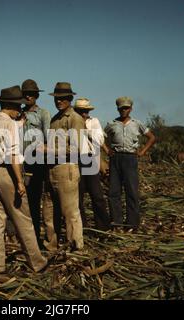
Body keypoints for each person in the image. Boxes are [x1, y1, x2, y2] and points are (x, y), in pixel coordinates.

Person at [0, 85, 48, 273]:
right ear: (11, 106)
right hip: (8, 175)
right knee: (23, 220)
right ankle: (37, 262)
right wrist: (20, 182)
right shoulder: (10, 125)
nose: (20, 110)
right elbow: (12, 155)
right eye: (18, 107)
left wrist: (19, 124)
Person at [43, 82, 85, 251]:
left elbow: (76, 149)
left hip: (66, 168)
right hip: (51, 169)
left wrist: (49, 149)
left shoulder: (75, 119)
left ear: (69, 99)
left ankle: (75, 248)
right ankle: (51, 246)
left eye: (62, 99)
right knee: (49, 212)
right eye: (56, 99)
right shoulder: (54, 120)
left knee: (70, 212)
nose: (58, 101)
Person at [105, 96, 155, 231]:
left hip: (130, 158)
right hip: (115, 158)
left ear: (131, 109)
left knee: (131, 192)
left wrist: (143, 151)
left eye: (126, 108)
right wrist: (107, 149)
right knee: (114, 192)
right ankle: (117, 223)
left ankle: (132, 224)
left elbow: (151, 137)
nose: (123, 110)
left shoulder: (137, 123)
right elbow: (101, 137)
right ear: (117, 109)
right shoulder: (112, 124)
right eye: (121, 108)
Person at [19, 79, 51, 248]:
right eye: (25, 94)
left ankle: (35, 239)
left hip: (36, 162)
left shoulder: (43, 114)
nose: (28, 97)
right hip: (19, 161)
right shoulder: (18, 114)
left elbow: (48, 139)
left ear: (37, 95)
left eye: (31, 94)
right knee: (19, 200)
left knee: (34, 199)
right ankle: (21, 237)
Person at [73, 98, 111, 231]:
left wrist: (84, 128)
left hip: (89, 158)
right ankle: (82, 227)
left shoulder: (93, 122)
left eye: (85, 111)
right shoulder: (72, 121)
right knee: (78, 196)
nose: (84, 114)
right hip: (75, 158)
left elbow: (99, 139)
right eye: (80, 111)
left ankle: (103, 227)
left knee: (97, 195)